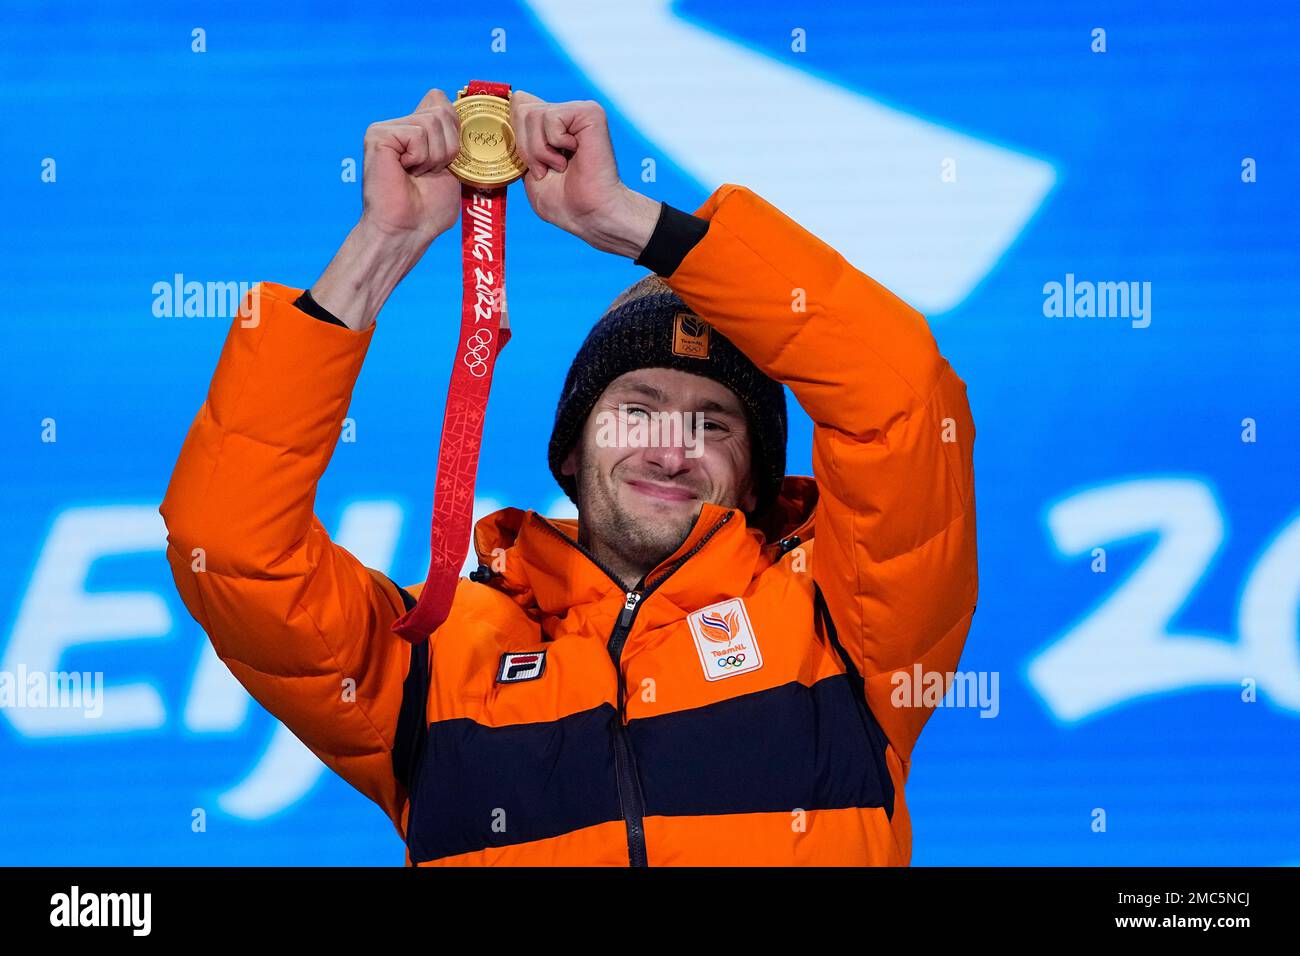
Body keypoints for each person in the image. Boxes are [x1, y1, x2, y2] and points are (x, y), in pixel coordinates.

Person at [160, 87, 978, 866]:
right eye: (637, 408)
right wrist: (382, 248)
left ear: (760, 478)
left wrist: (632, 223)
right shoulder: (429, 665)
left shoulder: (845, 624)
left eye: (713, 425)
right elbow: (229, 547)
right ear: (570, 451)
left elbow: (902, 404)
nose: (670, 448)